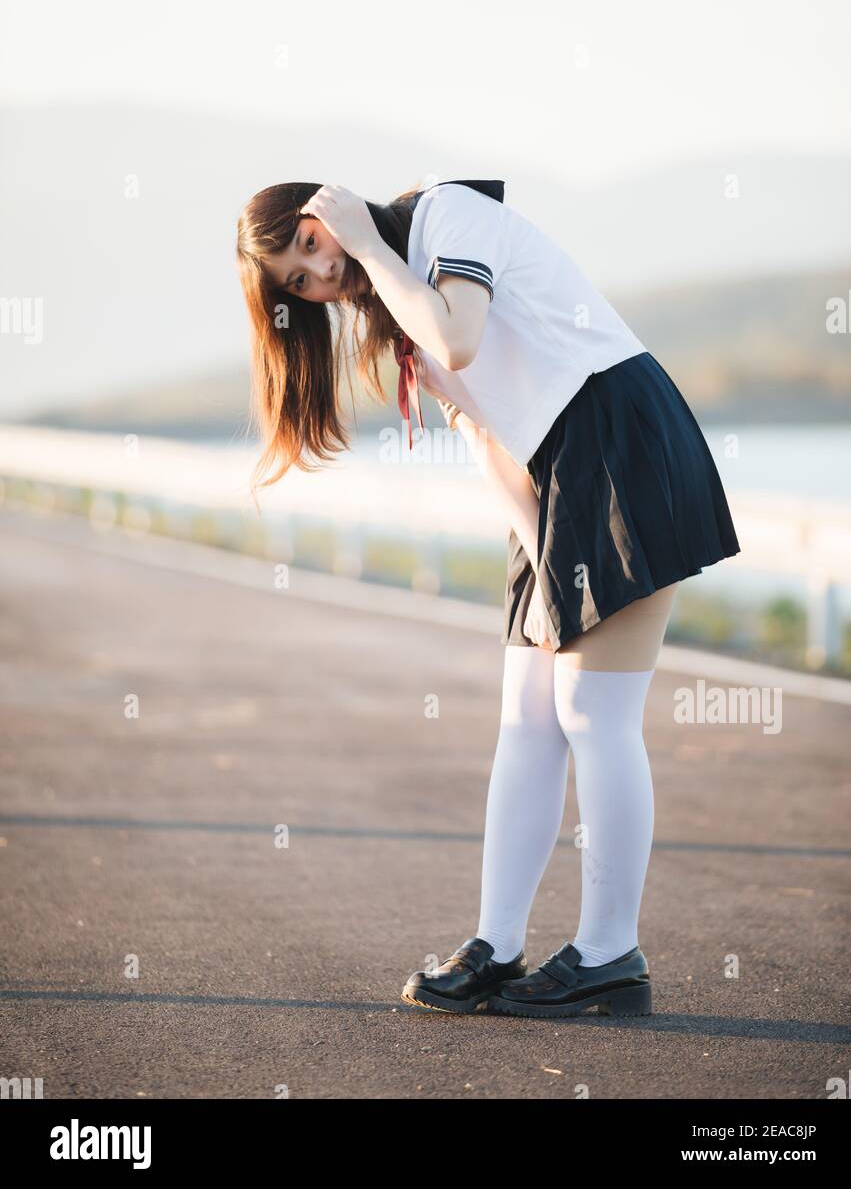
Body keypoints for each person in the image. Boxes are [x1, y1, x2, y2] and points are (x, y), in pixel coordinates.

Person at [235, 177, 741, 1019]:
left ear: (328, 217)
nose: (320, 277)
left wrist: (367, 245)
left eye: (312, 248)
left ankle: (610, 954)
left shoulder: (448, 216)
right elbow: (485, 437)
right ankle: (496, 947)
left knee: (592, 712)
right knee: (528, 713)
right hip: (550, 474)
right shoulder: (400, 309)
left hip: (618, 436)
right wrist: (546, 561)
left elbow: (460, 339)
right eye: (299, 281)